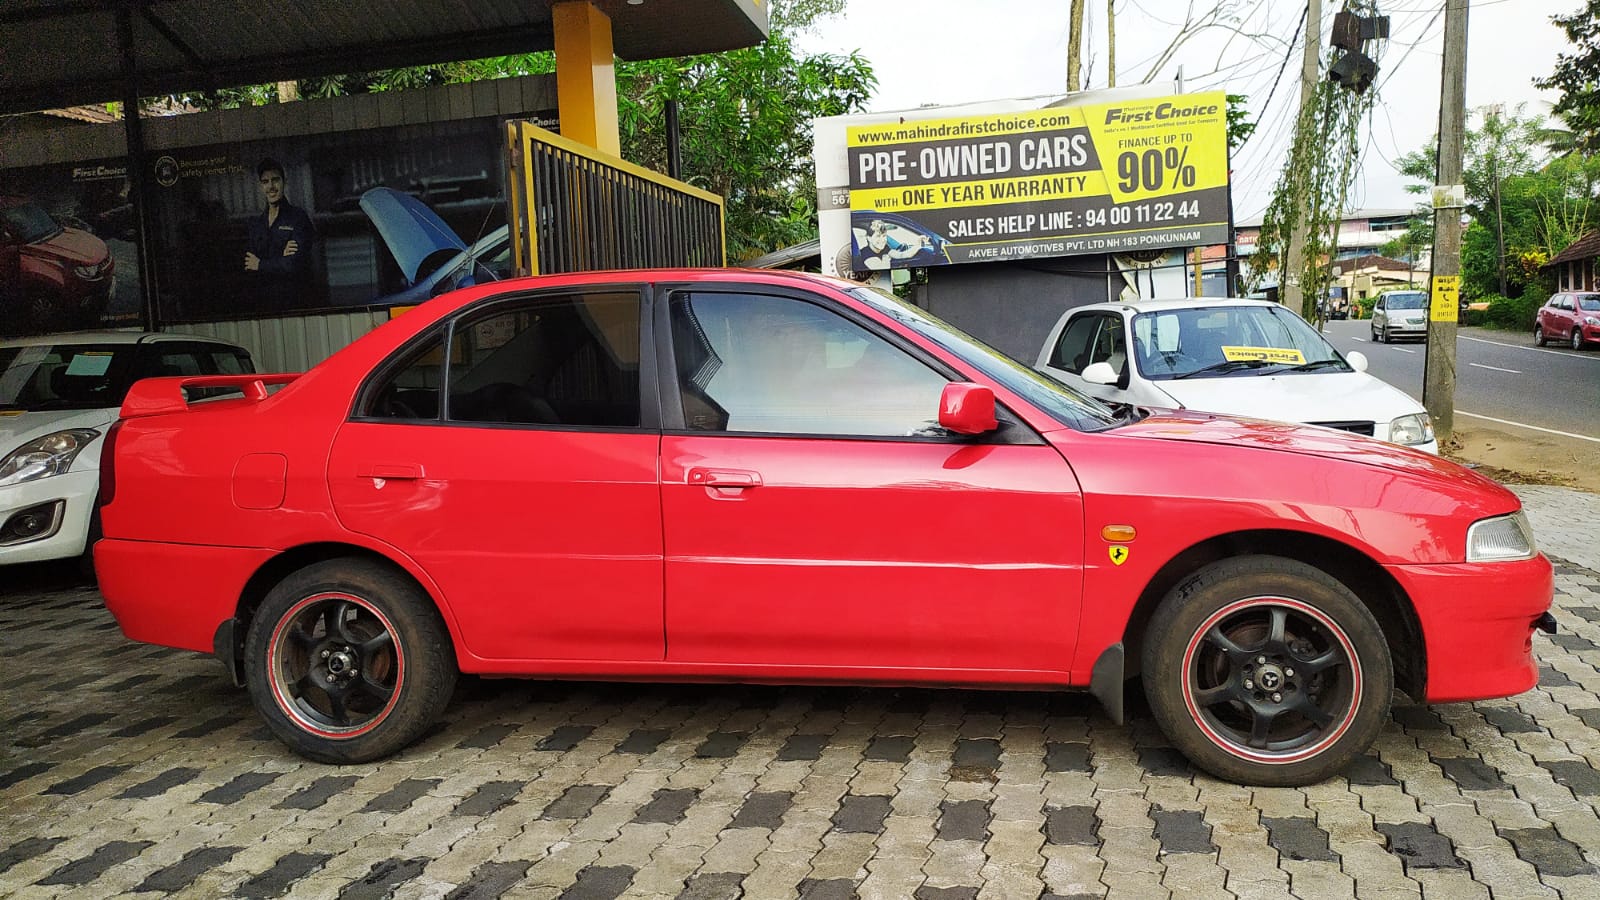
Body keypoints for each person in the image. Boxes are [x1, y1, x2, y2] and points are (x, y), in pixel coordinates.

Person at [244, 157, 315, 311]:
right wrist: (280, 258)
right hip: (264, 304)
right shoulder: (256, 224)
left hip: (293, 302)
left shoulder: (298, 217)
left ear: (284, 181)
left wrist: (261, 264)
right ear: (260, 186)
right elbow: (249, 267)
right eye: (265, 182)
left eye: (275, 180)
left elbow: (293, 264)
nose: (271, 187)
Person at [858, 219, 929, 270]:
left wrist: (918, 244)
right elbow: (882, 270)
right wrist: (886, 260)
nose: (883, 240)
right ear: (869, 238)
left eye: (884, 236)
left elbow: (902, 255)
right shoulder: (865, 254)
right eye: (878, 236)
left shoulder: (884, 248)